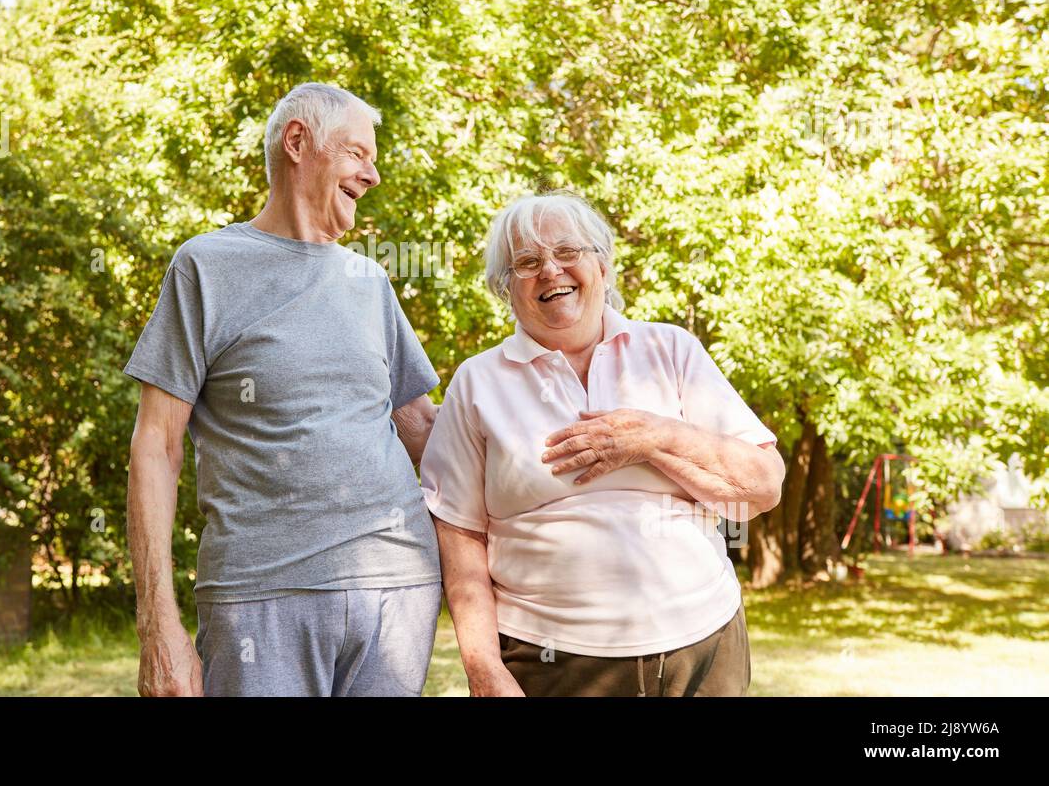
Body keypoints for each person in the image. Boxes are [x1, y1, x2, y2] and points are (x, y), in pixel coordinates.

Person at [125, 83, 443, 696]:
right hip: (259, 594)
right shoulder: (206, 267)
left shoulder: (369, 281)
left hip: (397, 587)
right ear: (299, 142)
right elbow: (155, 446)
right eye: (358, 154)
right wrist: (157, 624)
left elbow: (425, 433)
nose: (372, 175)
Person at [420, 190, 784, 696]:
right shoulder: (478, 382)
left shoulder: (671, 350)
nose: (551, 270)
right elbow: (460, 534)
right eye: (527, 262)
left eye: (568, 252)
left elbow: (763, 486)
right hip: (554, 658)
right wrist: (483, 665)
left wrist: (653, 437)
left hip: (703, 644)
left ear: (604, 266)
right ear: (506, 289)